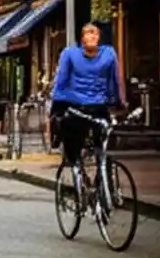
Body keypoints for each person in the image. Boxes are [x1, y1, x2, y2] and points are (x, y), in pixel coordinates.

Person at [50, 23, 122, 166]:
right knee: (76, 135)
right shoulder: (70, 54)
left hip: (97, 105)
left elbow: (115, 80)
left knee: (103, 140)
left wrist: (118, 101)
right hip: (78, 105)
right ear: (82, 39)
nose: (92, 36)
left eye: (94, 33)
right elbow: (61, 81)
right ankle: (78, 167)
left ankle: (100, 175)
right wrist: (56, 106)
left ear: (99, 37)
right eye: (89, 33)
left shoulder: (108, 53)